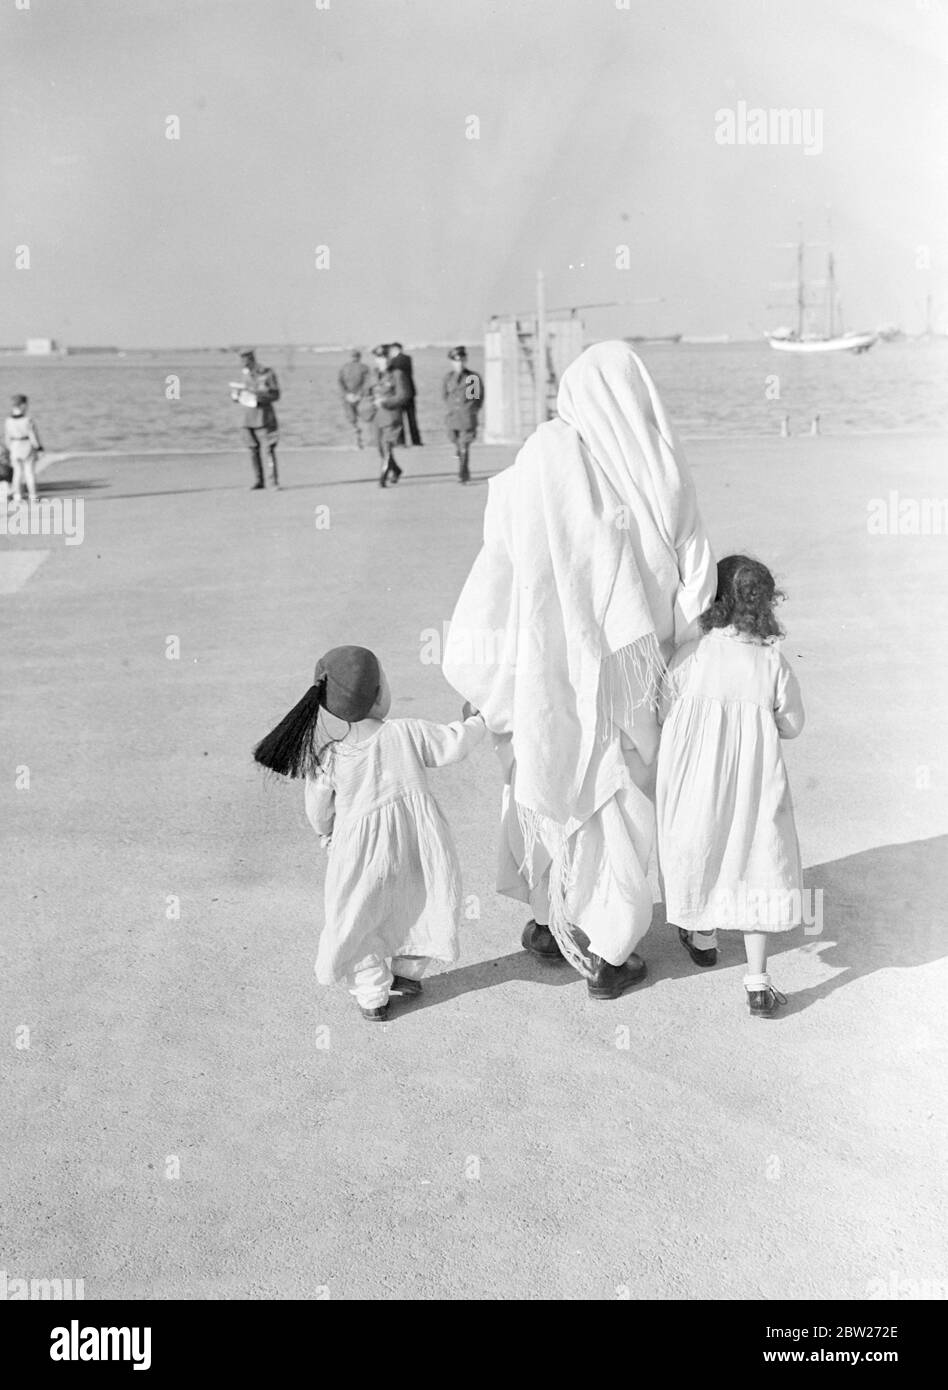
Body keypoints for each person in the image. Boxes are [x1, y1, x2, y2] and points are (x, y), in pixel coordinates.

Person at [443, 341, 716, 1000]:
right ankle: (610, 947)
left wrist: (490, 670)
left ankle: (550, 921)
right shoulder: (663, 470)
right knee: (620, 798)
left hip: (548, 663)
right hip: (636, 671)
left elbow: (502, 569)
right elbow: (697, 591)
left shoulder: (540, 460)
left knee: (550, 772)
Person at [252, 645, 486, 1022]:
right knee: (421, 901)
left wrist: (326, 834)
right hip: (416, 845)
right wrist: (476, 720)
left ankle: (372, 993)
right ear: (379, 695)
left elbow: (317, 810)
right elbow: (454, 746)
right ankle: (407, 971)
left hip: (358, 854)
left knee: (360, 915)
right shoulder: (406, 732)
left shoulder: (330, 757)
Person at [656, 556, 805, 1017]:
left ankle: (702, 936)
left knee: (705, 850)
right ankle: (757, 983)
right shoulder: (770, 661)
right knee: (756, 863)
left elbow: (663, 709)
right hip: (755, 784)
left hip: (698, 782)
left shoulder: (692, 653)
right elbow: (794, 724)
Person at [231, 348, 280, 490]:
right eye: (241, 359)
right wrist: (236, 396)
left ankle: (273, 482)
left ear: (251, 358)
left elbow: (275, 394)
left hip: (263, 417)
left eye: (245, 359)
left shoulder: (266, 373)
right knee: (252, 449)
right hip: (246, 418)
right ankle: (259, 480)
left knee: (269, 449)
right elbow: (236, 393)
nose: (242, 362)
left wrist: (258, 396)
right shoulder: (241, 374)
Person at [371, 344, 410, 488]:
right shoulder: (374, 374)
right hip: (377, 416)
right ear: (376, 360)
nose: (384, 361)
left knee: (387, 445)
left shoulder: (397, 374)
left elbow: (404, 395)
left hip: (391, 414)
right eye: (380, 358)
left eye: (386, 357)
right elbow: (368, 393)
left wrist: (386, 402)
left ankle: (383, 476)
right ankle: (396, 469)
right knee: (379, 446)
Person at [442, 346, 483, 484]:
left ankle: (463, 472)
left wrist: (470, 412)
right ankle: (461, 458)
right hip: (453, 416)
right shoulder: (448, 378)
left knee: (464, 444)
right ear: (452, 362)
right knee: (454, 440)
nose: (459, 364)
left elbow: (476, 400)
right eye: (456, 361)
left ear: (465, 361)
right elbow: (445, 396)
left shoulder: (471, 378)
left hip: (466, 416)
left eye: (462, 361)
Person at [4, 395, 44, 506]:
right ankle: (33, 496)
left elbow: (7, 438)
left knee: (17, 473)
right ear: (23, 405)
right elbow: (33, 436)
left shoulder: (8, 421)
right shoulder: (28, 420)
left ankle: (17, 496)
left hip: (14, 447)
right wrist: (39, 448)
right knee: (29, 473)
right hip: (26, 446)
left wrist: (9, 449)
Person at [388, 341, 422, 446]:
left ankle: (401, 441)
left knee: (400, 418)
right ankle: (416, 441)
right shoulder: (407, 359)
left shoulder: (394, 361)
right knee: (412, 418)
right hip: (410, 392)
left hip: (399, 393)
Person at [338, 349, 370, 449]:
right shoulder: (364, 368)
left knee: (352, 420)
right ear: (359, 357)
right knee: (362, 419)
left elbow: (340, 383)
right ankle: (359, 441)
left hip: (349, 397)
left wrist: (347, 394)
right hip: (359, 397)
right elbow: (367, 383)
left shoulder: (344, 367)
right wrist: (359, 395)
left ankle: (357, 441)